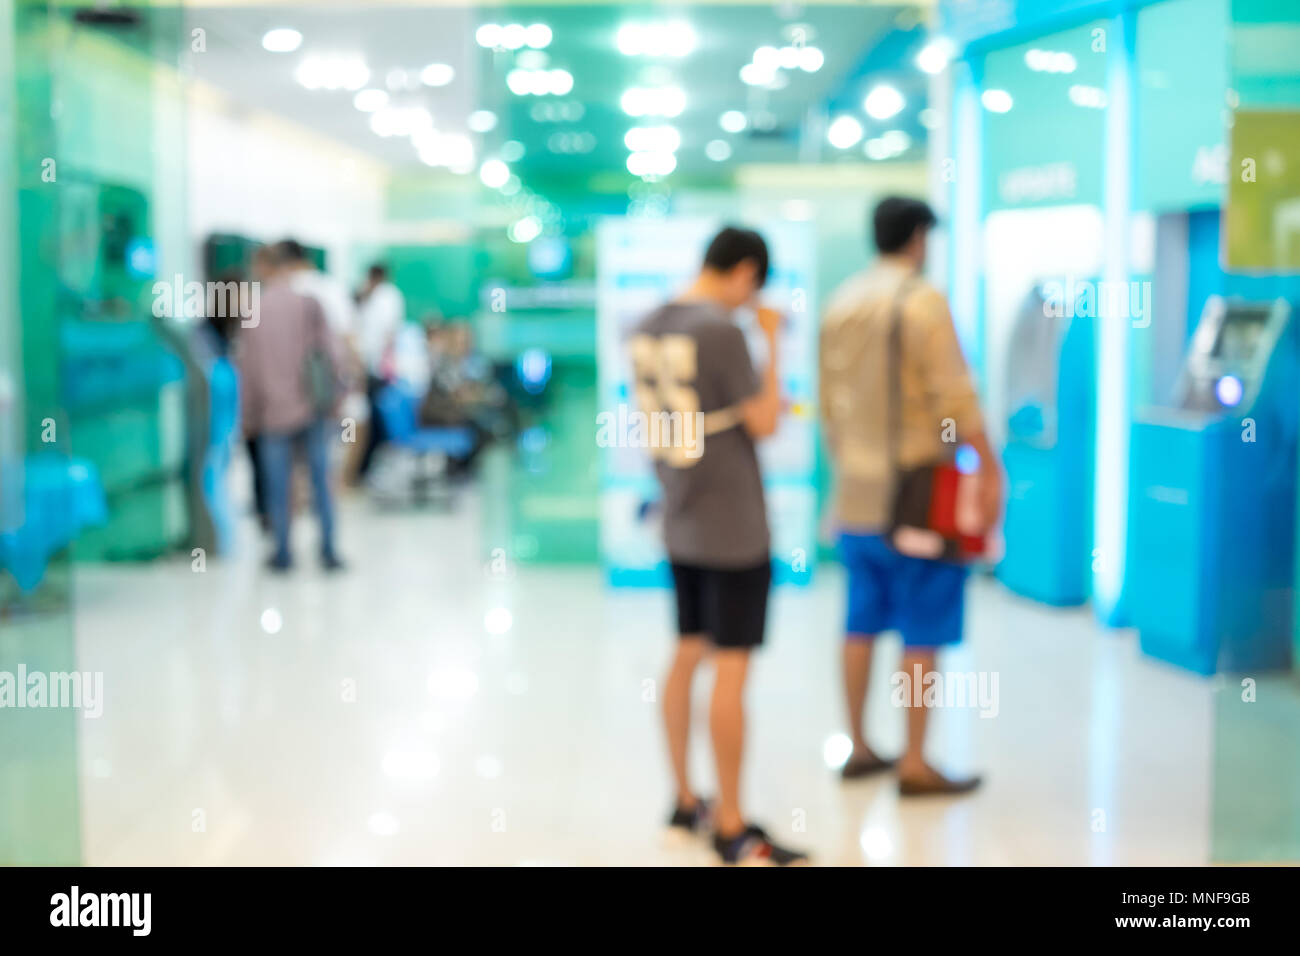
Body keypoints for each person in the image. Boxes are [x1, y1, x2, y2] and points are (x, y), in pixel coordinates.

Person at [631, 226, 807, 865]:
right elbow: (763, 420)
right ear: (744, 272)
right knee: (731, 667)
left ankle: (684, 799)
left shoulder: (648, 323)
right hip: (733, 523)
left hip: (680, 513)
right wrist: (772, 338)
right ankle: (732, 826)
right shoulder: (723, 330)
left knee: (685, 652)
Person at [819, 197, 1001, 795]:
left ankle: (859, 744)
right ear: (919, 238)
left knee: (860, 622)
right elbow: (954, 396)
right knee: (922, 627)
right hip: (917, 494)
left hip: (856, 494)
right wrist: (988, 460)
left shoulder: (842, 302)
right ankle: (916, 762)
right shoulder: (921, 301)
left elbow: (830, 405)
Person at [236, 241, 346, 572]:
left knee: (278, 485)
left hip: (272, 412)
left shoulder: (254, 311)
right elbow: (331, 354)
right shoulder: (309, 304)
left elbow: (249, 371)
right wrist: (336, 399)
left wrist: (249, 415)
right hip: (312, 408)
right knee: (320, 480)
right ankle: (328, 550)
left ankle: (283, 553)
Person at [353, 263, 405, 481]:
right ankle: (362, 468)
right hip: (364, 367)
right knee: (365, 419)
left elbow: (389, 334)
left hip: (378, 369)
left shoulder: (389, 296)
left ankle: (368, 467)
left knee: (375, 419)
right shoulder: (366, 295)